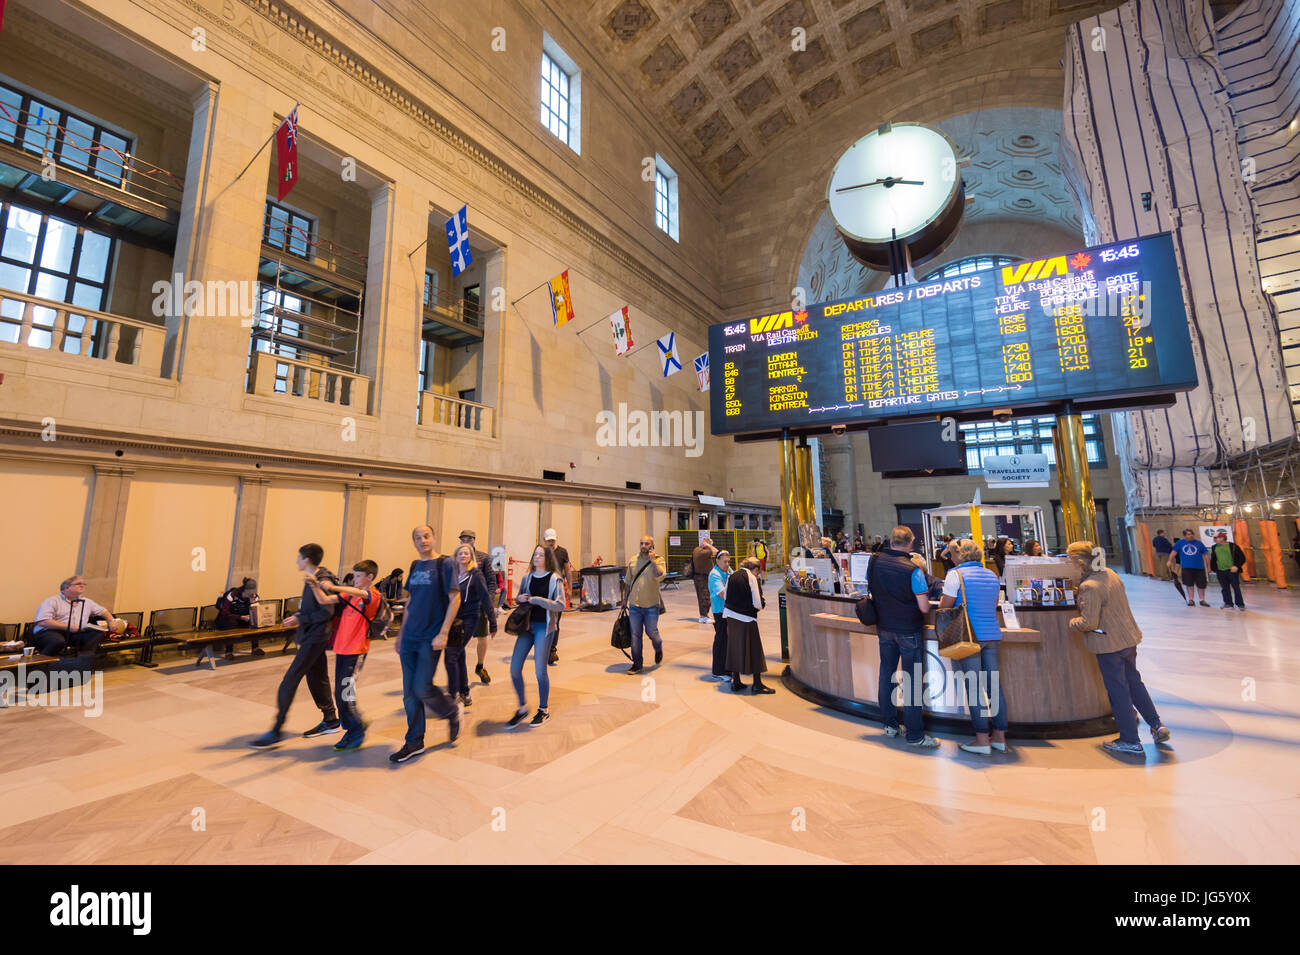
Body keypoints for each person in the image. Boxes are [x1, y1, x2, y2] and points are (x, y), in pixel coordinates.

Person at [1066, 540, 1170, 755]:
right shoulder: (1110, 574)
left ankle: (1130, 740)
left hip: (1108, 643)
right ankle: (1157, 725)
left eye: (1070, 558)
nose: (1068, 562)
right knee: (1134, 683)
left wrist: (1071, 623)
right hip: (1127, 638)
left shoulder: (1089, 586)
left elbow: (1089, 623)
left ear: (1079, 561)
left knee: (1118, 691)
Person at [251, 544, 340, 748]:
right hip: (312, 635)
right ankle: (330, 719)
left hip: (315, 636)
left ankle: (276, 730)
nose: (297, 561)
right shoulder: (312, 576)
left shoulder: (322, 579)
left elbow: (327, 612)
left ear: (307, 559)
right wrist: (300, 616)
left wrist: (302, 619)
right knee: (317, 677)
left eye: (299, 557)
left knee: (289, 680)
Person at [390, 525, 461, 763]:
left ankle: (450, 710)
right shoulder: (414, 566)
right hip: (410, 636)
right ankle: (414, 742)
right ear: (414, 542)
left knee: (421, 687)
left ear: (434, 537)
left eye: (427, 536)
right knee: (409, 695)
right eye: (418, 538)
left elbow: (455, 598)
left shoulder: (445, 563)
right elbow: (410, 602)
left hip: (430, 637)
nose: (423, 540)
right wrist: (400, 634)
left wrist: (444, 632)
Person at [938, 539, 1008, 756]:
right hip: (991, 634)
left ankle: (981, 739)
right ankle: (999, 737)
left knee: (974, 688)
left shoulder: (955, 575)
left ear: (959, 556)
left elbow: (945, 606)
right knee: (993, 687)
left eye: (951, 554)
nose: (950, 558)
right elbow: (993, 603)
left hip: (967, 637)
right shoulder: (992, 575)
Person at [874, 528, 941, 748]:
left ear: (891, 541)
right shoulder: (913, 570)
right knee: (911, 681)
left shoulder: (874, 562)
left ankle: (890, 725)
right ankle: (915, 735)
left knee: (886, 674)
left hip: (884, 627)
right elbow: (923, 607)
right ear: (910, 543)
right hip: (908, 630)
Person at [311, 560, 381, 752]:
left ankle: (355, 730)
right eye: (355, 575)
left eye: (359, 576)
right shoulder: (349, 595)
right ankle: (355, 723)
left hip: (356, 651)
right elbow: (324, 600)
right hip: (342, 649)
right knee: (341, 692)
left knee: (345, 692)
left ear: (370, 577)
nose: (355, 579)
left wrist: (332, 586)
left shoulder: (372, 595)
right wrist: (316, 586)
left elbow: (360, 593)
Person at [508, 544, 565, 727]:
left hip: (544, 627)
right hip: (526, 626)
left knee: (540, 671)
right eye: (535, 554)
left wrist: (538, 600)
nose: (537, 557)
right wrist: (521, 599)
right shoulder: (527, 577)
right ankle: (522, 707)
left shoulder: (555, 579)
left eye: (541, 555)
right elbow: (518, 598)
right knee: (514, 669)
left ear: (547, 558)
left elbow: (561, 605)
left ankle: (543, 709)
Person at [449, 542, 497, 708]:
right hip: (454, 618)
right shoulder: (453, 573)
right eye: (460, 553)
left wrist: (493, 622)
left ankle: (454, 692)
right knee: (458, 653)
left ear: (471, 557)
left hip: (470, 617)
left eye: (466, 553)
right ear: (456, 556)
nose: (463, 555)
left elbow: (485, 596)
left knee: (453, 653)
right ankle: (465, 693)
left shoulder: (475, 574)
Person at [32, 575, 119, 664]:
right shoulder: (53, 601)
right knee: (57, 641)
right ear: (66, 587)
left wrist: (111, 620)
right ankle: (40, 664)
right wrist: (69, 627)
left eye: (83, 584)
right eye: (78, 584)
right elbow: (43, 622)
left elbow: (103, 611)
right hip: (50, 631)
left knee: (96, 634)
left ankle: (82, 663)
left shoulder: (87, 602)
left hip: (74, 632)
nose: (82, 586)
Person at [723, 557, 772, 694]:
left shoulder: (732, 575)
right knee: (754, 649)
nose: (758, 574)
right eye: (758, 571)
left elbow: (726, 595)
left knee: (734, 648)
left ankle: (736, 681)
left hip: (731, 617)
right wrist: (762, 604)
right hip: (747, 618)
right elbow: (757, 602)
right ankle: (757, 684)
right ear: (755, 569)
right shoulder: (751, 578)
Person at [458, 530, 498, 684]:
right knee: (459, 639)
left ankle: (480, 666)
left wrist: (488, 604)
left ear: (474, 540)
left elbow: (491, 582)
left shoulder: (484, 558)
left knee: (482, 636)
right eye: (463, 539)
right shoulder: (457, 557)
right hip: (461, 606)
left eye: (469, 539)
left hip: (479, 605)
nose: (466, 541)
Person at [624, 535, 666, 674]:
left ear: (652, 546)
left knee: (651, 632)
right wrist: (624, 600)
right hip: (635, 605)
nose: (643, 546)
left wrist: (653, 561)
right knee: (635, 635)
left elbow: (659, 575)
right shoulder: (633, 560)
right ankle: (637, 664)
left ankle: (658, 647)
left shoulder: (659, 560)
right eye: (641, 543)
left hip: (651, 606)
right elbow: (628, 582)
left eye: (647, 544)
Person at [215, 577, 264, 660]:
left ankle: (255, 648)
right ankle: (228, 652)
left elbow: (257, 614)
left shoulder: (254, 597)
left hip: (243, 619)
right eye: (250, 592)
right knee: (231, 622)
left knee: (254, 620)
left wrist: (252, 604)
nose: (252, 594)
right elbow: (224, 613)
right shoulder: (232, 595)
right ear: (244, 590)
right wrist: (240, 617)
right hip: (225, 619)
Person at [543, 528, 570, 665]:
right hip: (543, 590)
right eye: (548, 541)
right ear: (544, 540)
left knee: (555, 621)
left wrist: (569, 587)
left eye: (553, 540)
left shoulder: (562, 552)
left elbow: (567, 569)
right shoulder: (541, 552)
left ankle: (552, 649)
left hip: (558, 590)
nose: (551, 543)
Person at [707, 550, 732, 682]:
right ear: (717, 561)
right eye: (725, 561)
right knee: (721, 640)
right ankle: (718, 671)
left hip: (727, 611)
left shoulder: (726, 571)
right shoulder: (714, 574)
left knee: (726, 640)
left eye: (729, 561)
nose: (727, 564)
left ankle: (726, 668)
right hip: (719, 611)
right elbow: (723, 593)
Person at [1169, 529, 1210, 606]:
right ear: (1185, 536)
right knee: (1189, 584)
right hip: (1186, 568)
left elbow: (1206, 555)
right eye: (1188, 534)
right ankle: (1191, 600)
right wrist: (1169, 560)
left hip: (1199, 568)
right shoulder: (1180, 543)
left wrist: (1209, 566)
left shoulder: (1199, 543)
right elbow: (1174, 552)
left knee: (1201, 585)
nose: (1190, 535)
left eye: (1191, 534)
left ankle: (1202, 600)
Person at [1210, 531, 1247, 612]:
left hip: (1232, 571)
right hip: (1220, 571)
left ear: (1223, 538)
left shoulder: (1233, 546)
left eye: (1218, 538)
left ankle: (1240, 604)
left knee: (1236, 587)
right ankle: (1228, 603)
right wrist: (1214, 569)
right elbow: (1213, 559)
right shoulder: (1214, 547)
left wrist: (1236, 566)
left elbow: (1242, 558)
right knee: (1224, 588)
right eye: (1215, 538)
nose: (1216, 539)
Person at [690, 534, 718, 624]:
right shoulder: (703, 551)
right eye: (710, 544)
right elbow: (717, 552)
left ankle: (704, 615)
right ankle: (703, 616)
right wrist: (709, 545)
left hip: (699, 577)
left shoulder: (696, 550)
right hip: (702, 578)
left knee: (703, 596)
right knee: (704, 597)